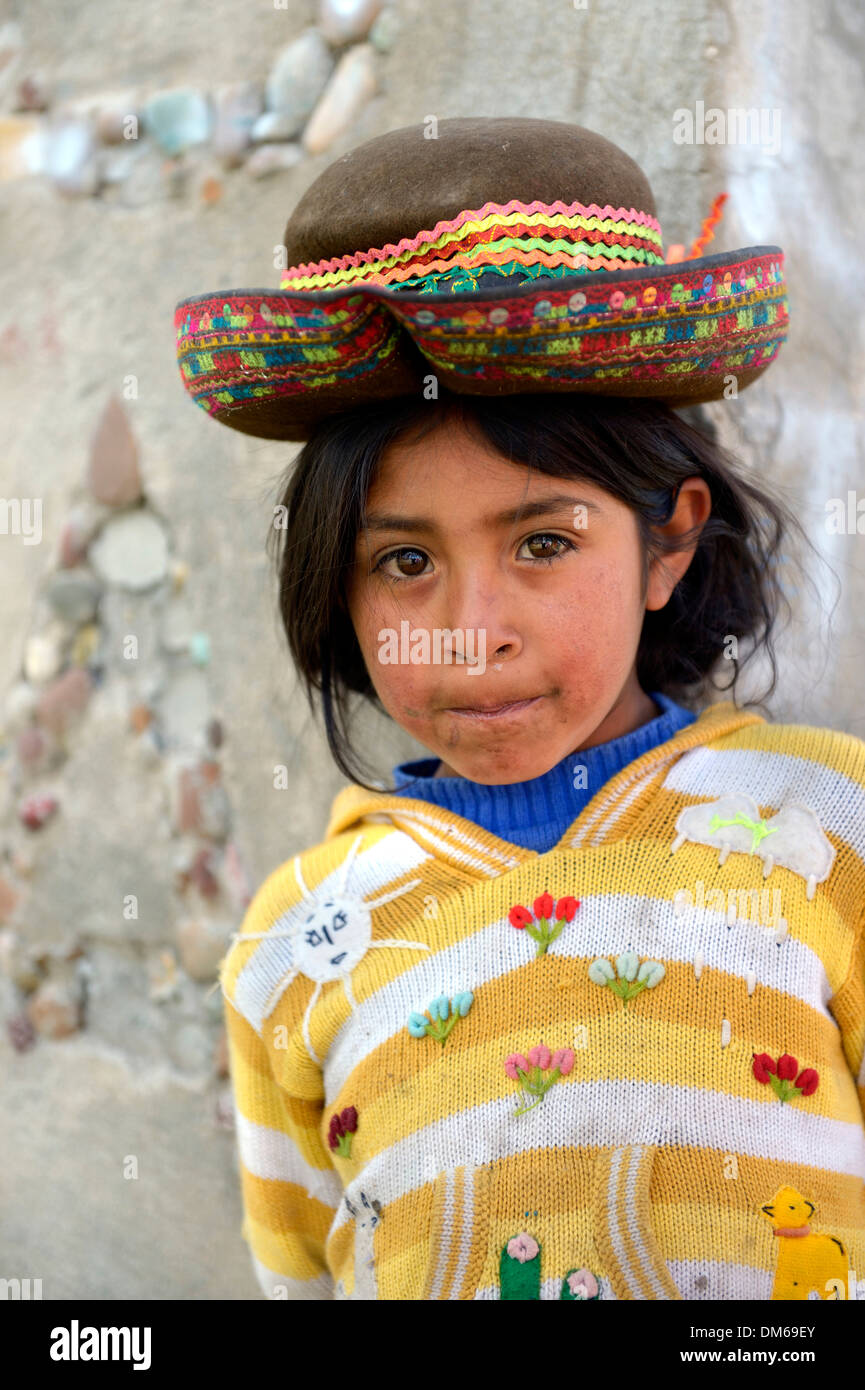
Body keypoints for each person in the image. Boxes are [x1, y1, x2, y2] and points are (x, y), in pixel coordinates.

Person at [174, 118, 865, 1301]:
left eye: (543, 541)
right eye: (403, 563)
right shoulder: (292, 944)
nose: (471, 627)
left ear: (670, 542)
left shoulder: (826, 824)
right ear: (332, 585)